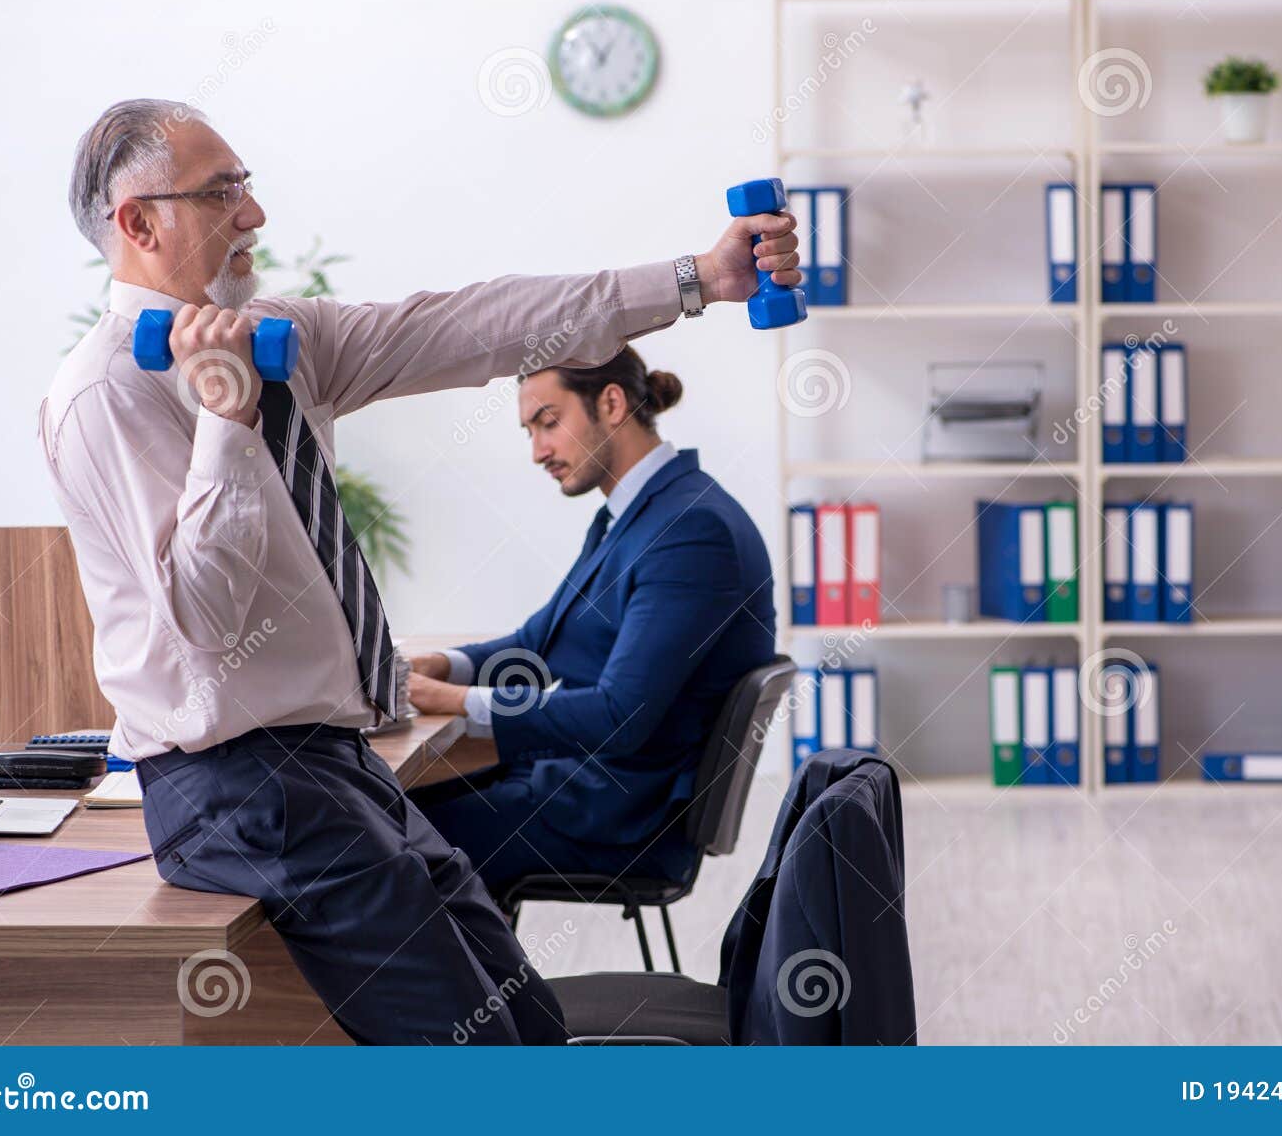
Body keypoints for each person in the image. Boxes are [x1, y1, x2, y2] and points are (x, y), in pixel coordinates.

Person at [39, 99, 800, 1045]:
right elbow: (204, 615)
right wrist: (226, 424)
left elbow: (476, 323)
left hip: (337, 761)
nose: (254, 216)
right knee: (477, 1057)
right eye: (222, 192)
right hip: (240, 786)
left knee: (528, 1023)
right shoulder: (102, 393)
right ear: (139, 222)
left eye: (248, 187)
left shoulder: (282, 336)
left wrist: (695, 280)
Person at [406, 348, 776, 894]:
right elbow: (539, 641)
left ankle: (469, 977)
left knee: (380, 841)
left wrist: (453, 701)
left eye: (548, 423)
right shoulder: (633, 513)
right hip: (581, 781)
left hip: (618, 815)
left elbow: (618, 714)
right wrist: (440, 667)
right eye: (528, 431)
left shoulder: (690, 529)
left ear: (610, 403)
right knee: (392, 804)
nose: (538, 451)